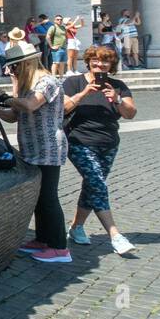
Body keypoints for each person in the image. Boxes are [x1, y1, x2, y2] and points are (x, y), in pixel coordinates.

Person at [0, 29, 71, 264]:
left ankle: (59, 248)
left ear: (26, 63)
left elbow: (30, 105)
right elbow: (15, 115)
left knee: (48, 197)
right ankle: (43, 239)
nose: (12, 71)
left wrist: (7, 96)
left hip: (48, 147)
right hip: (32, 148)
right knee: (38, 197)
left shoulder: (47, 81)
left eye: (15, 66)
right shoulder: (29, 85)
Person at [63, 45, 137, 255]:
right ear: (88, 61)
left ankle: (76, 228)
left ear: (111, 65)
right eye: (95, 60)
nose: (99, 64)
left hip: (109, 144)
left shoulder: (118, 86)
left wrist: (118, 99)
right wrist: (84, 92)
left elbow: (131, 113)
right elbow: (63, 108)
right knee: (97, 182)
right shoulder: (73, 82)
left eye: (105, 61)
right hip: (79, 142)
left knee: (92, 186)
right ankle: (115, 235)